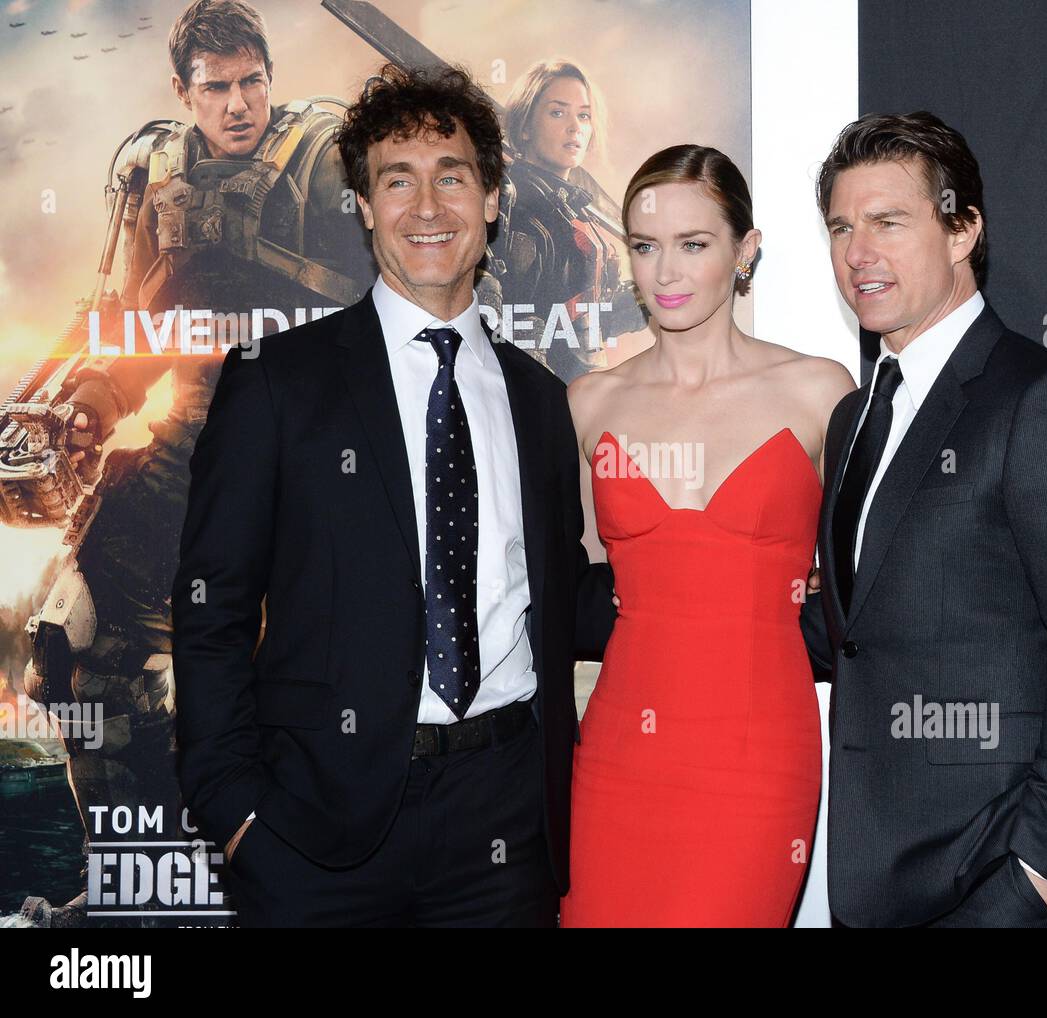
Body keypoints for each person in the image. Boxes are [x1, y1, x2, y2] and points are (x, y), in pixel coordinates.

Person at [170, 61, 615, 927]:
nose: (426, 207)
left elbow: (562, 592)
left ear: (492, 199)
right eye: (396, 180)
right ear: (365, 207)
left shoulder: (539, 398)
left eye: (452, 177)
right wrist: (235, 815)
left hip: (504, 825)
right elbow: (210, 606)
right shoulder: (278, 383)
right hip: (313, 831)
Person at [17, 0, 372, 927]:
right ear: (184, 91)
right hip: (193, 441)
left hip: (317, 457)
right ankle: (146, 879)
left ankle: (303, 884)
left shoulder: (334, 155)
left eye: (253, 80)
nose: (240, 103)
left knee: (313, 680)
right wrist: (78, 410)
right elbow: (129, 331)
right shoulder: (155, 170)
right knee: (74, 646)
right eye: (216, 87)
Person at [800, 111, 1047, 927]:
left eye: (889, 221)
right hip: (876, 879)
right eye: (842, 227)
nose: (858, 252)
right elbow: (855, 628)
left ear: (963, 231)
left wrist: (1038, 878)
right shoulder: (855, 419)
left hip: (1004, 884)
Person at [561, 144, 856, 926]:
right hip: (621, 753)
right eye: (646, 246)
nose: (666, 273)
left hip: (758, 758)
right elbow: (549, 584)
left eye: (694, 245)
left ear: (745, 251)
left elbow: (871, 576)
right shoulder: (589, 403)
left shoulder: (820, 392)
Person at [499, 58, 646, 382]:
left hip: (585, 391)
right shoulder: (512, 207)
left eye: (583, 115)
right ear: (524, 126)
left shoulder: (577, 206)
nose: (575, 126)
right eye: (557, 112)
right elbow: (510, 325)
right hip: (537, 395)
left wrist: (649, 295)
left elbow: (590, 323)